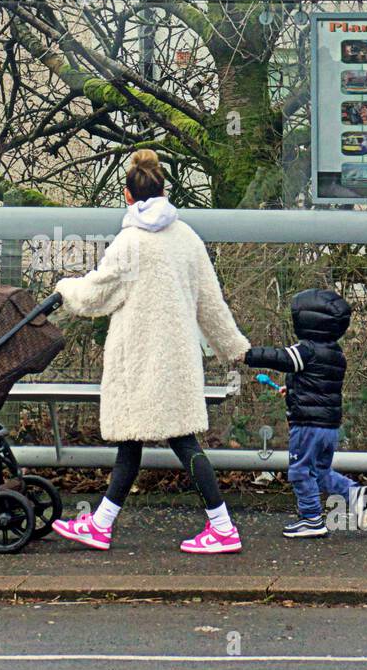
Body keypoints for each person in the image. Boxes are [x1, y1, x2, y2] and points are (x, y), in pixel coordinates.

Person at [50, 149, 250, 554]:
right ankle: (103, 524)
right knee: (163, 441)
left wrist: (63, 288)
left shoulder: (129, 243)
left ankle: (223, 526)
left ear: (127, 195)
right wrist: (235, 348)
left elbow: (94, 297)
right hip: (176, 361)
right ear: (164, 190)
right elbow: (211, 303)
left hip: (137, 361)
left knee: (143, 440)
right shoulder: (187, 238)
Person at [245, 288, 367, 538]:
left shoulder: (307, 350)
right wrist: (292, 389)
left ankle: (311, 518)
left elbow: (281, 358)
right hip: (329, 427)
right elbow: (319, 386)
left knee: (300, 471)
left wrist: (247, 355)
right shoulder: (336, 354)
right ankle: (354, 493)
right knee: (321, 472)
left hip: (307, 426)